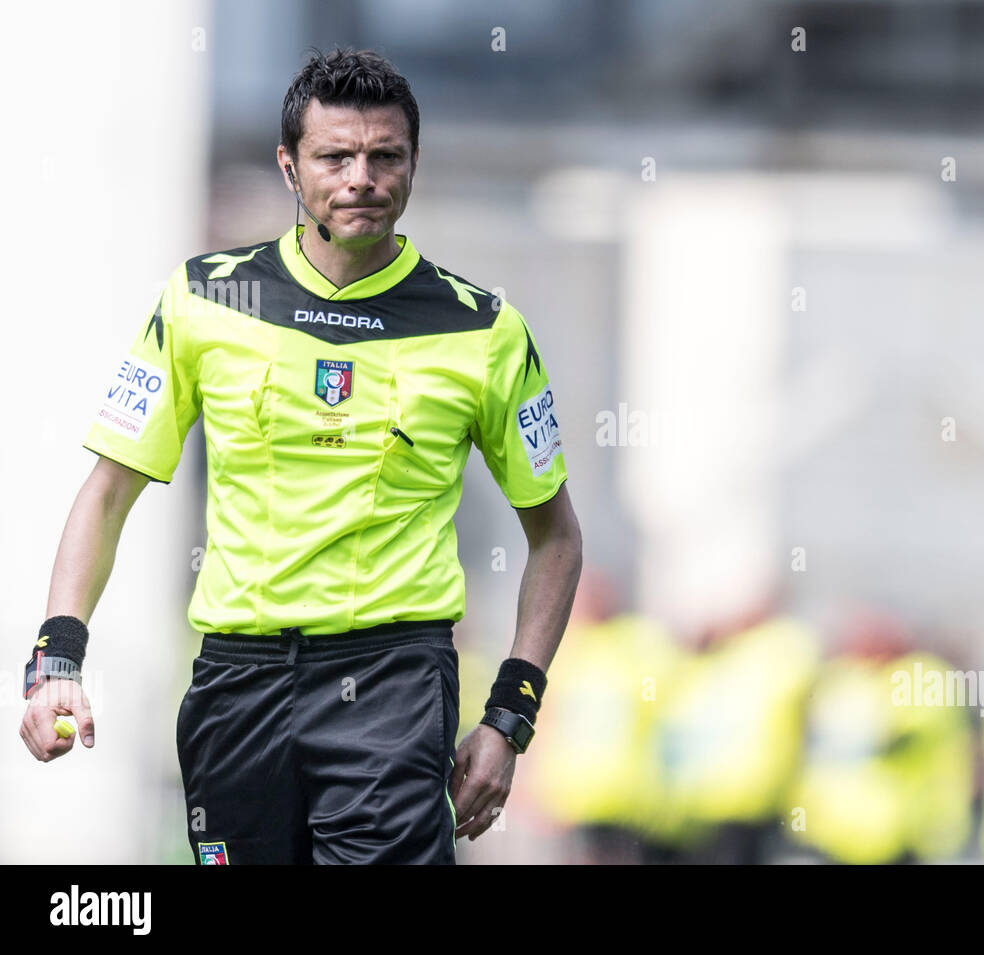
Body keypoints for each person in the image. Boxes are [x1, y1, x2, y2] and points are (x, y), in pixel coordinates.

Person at [17, 46, 583, 865]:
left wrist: (509, 716)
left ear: (413, 165)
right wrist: (58, 655)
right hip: (236, 684)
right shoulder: (206, 296)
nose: (362, 178)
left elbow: (556, 538)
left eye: (386, 156)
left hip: (392, 679)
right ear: (290, 166)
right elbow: (107, 491)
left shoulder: (484, 329)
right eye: (335, 157)